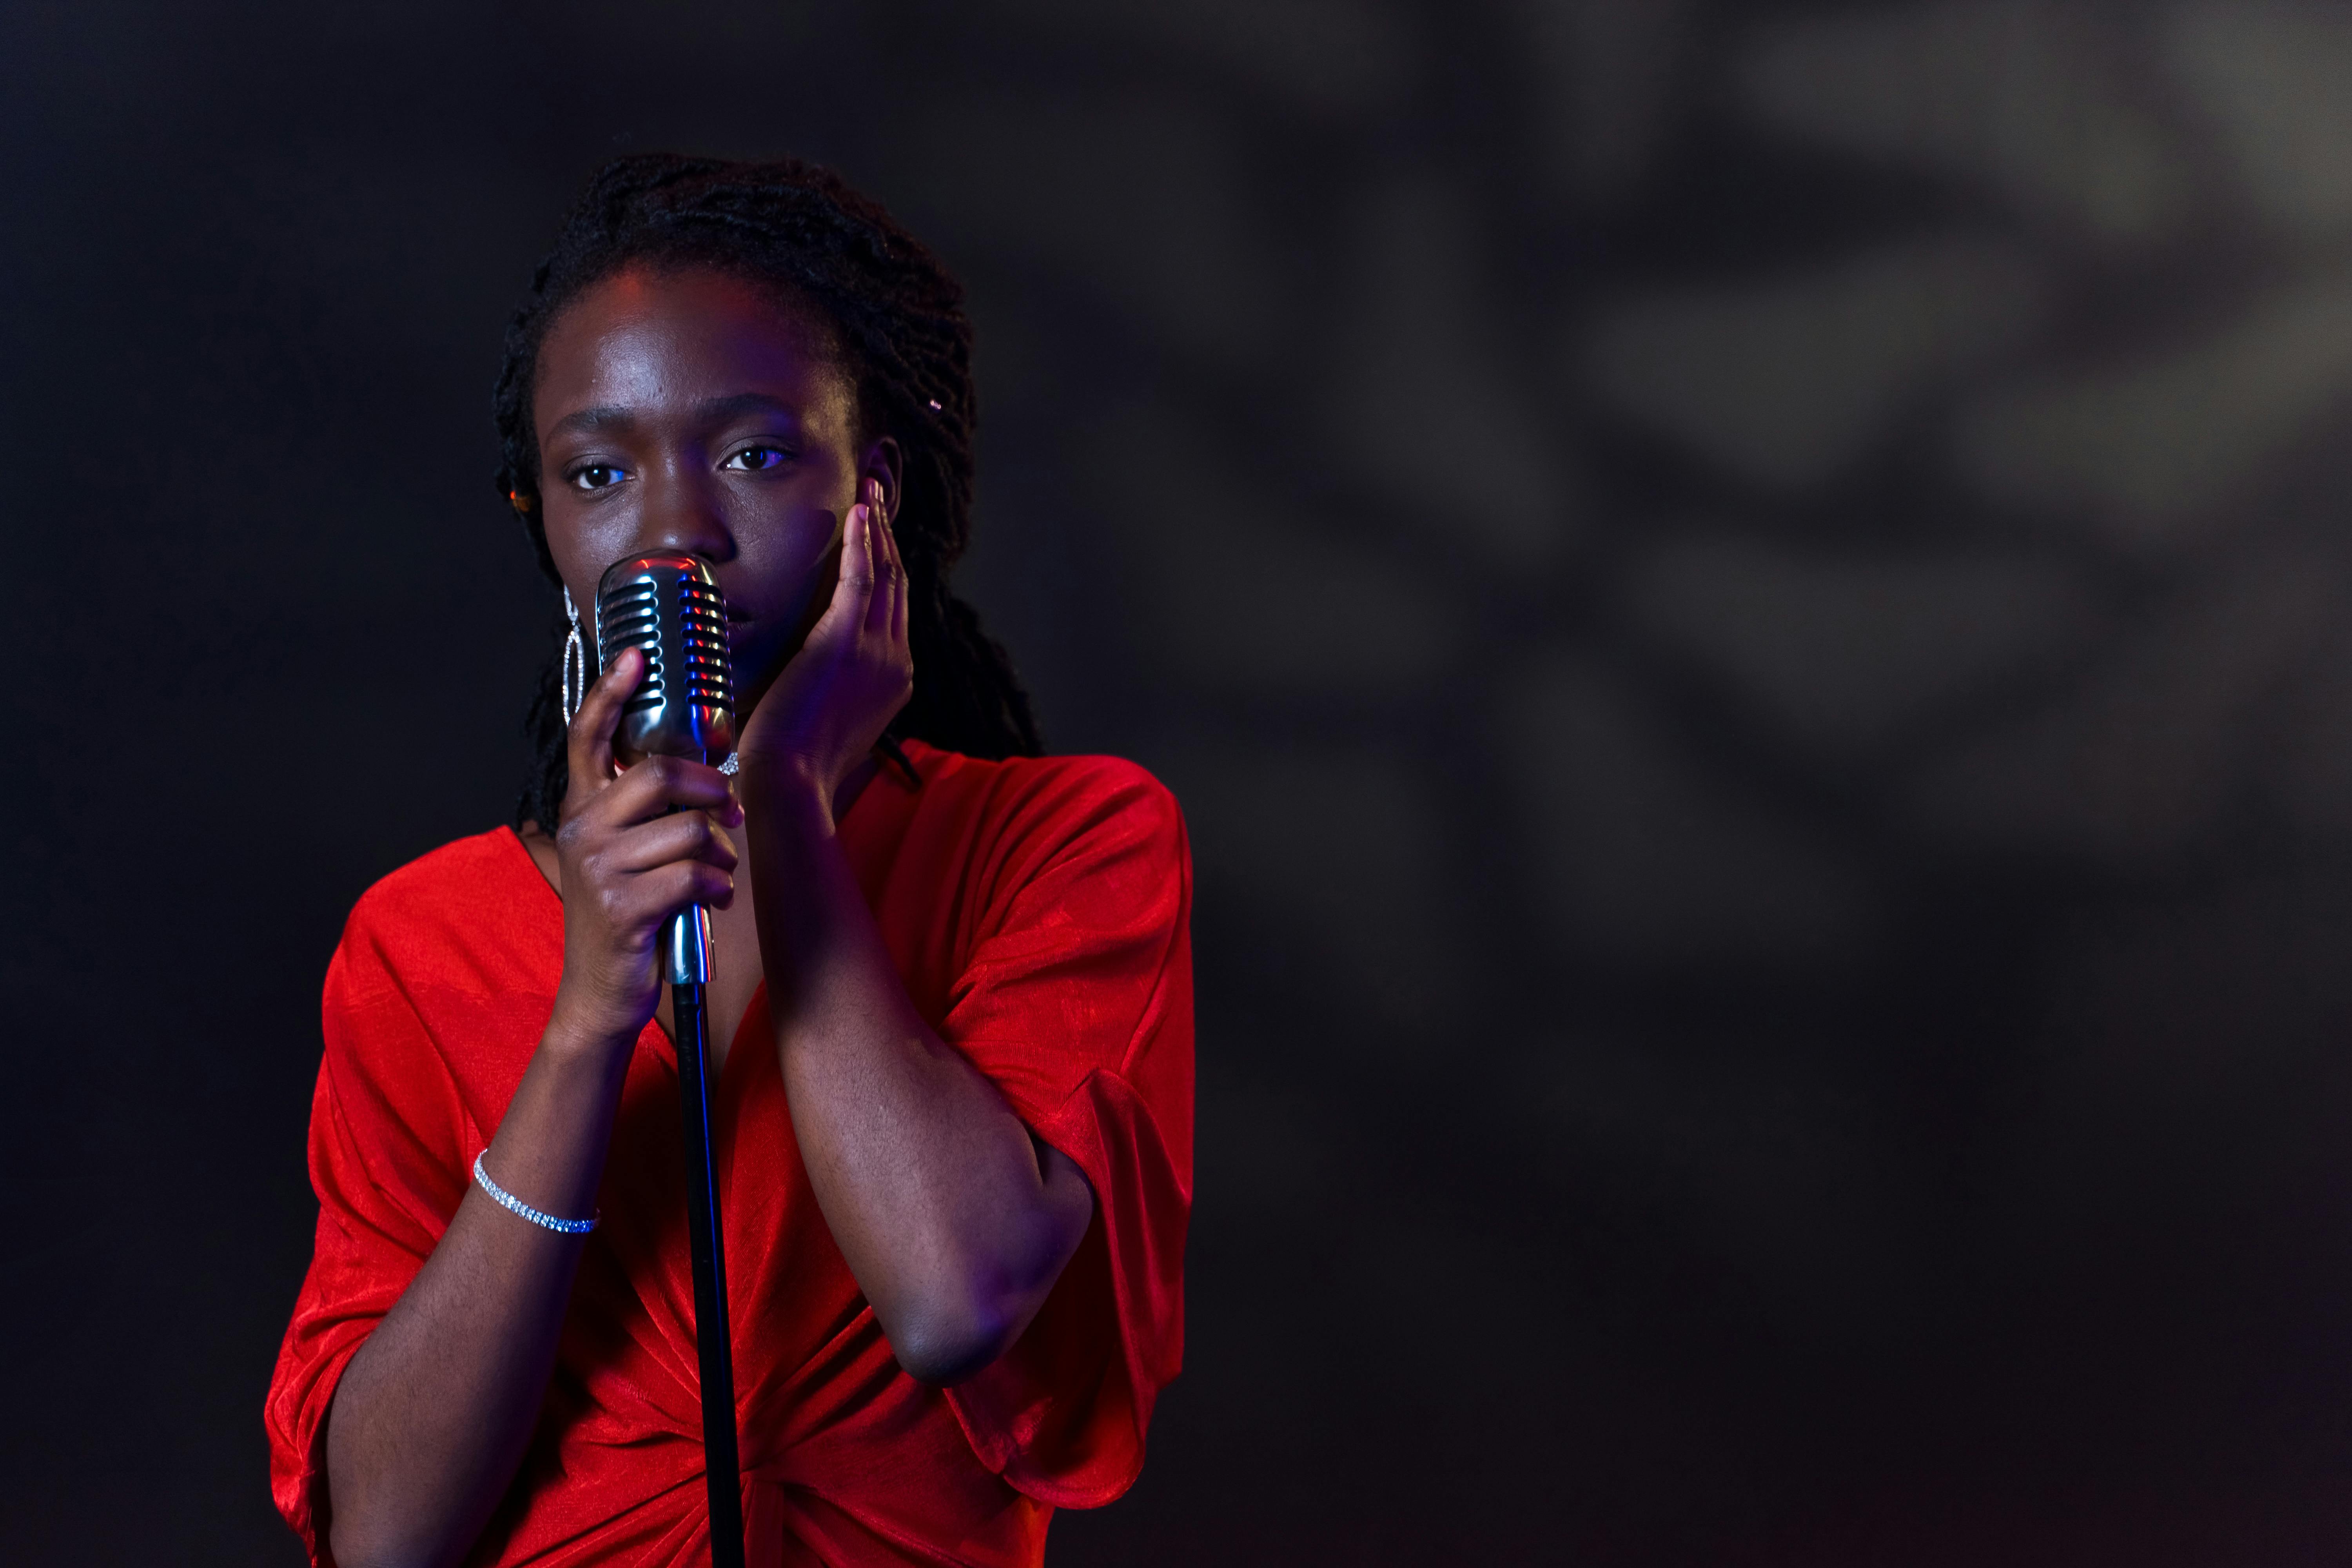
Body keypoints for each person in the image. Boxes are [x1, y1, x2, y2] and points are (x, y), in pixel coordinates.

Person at [264, 154, 1194, 1568]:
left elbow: (957, 1296)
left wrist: (788, 813)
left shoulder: (1064, 844)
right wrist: (587, 1024)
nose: (674, 535)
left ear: (874, 490)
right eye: (597, 473)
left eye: (754, 454)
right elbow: (385, 1533)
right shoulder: (419, 940)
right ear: (546, 528)